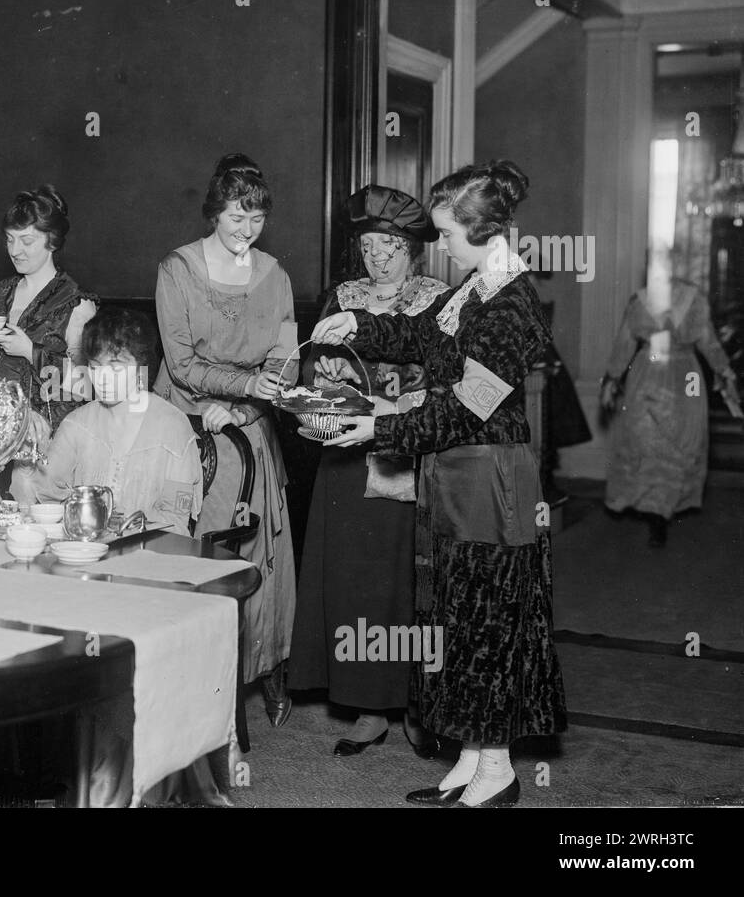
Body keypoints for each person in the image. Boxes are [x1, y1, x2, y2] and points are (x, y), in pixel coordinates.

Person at [310, 160, 567, 807]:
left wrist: (377, 425)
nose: (442, 247)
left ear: (487, 232)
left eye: (450, 235)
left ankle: (498, 770)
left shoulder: (512, 306)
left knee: (487, 624)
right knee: (459, 619)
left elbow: (464, 406)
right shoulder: (476, 287)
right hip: (455, 473)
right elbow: (420, 333)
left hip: (491, 479)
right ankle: (475, 760)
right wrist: (358, 326)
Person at [287, 185, 448, 758]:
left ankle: (416, 702)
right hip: (343, 461)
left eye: (391, 244)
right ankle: (366, 705)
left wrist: (390, 409)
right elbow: (315, 373)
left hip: (402, 456)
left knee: (404, 583)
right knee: (353, 582)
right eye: (368, 243)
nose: (378, 256)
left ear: (414, 248)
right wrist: (318, 393)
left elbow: (443, 388)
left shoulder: (437, 300)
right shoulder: (342, 296)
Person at [153, 153, 299, 727]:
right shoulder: (178, 268)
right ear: (215, 213)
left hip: (253, 422)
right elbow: (182, 362)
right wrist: (242, 385)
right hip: (188, 425)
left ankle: (263, 667)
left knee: (260, 550)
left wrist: (275, 386)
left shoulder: (276, 273)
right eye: (237, 217)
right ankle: (190, 675)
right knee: (197, 549)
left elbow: (285, 354)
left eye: (257, 219)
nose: (246, 230)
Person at [20, 307, 203, 536]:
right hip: (82, 555)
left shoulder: (173, 427)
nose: (103, 378)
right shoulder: (77, 424)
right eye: (95, 367)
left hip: (151, 556)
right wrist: (27, 450)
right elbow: (42, 496)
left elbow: (176, 518)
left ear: (140, 365)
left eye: (116, 367)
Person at [0, 185, 99, 447]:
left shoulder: (77, 306)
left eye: (26, 241)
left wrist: (30, 351)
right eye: (10, 239)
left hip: (46, 440)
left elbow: (88, 385)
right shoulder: (0, 292)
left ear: (52, 241)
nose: (15, 250)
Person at [600, 273, 738, 546]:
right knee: (659, 438)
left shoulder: (648, 299)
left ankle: (658, 510)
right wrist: (612, 378)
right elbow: (708, 342)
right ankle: (658, 511)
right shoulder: (686, 298)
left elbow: (625, 343)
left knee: (665, 439)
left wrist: (613, 378)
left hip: (660, 373)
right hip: (681, 374)